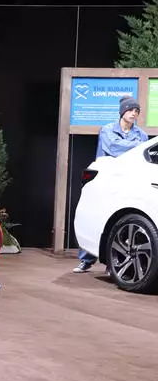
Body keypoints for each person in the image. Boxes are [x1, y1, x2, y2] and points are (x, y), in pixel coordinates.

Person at [73, 95, 149, 273]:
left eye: (136, 111)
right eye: (130, 110)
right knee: (96, 217)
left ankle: (113, 263)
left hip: (130, 180)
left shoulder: (142, 134)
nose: (133, 113)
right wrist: (134, 146)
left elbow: (138, 150)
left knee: (119, 219)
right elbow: (113, 148)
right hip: (106, 179)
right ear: (122, 111)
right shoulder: (107, 130)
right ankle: (86, 260)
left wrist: (130, 145)